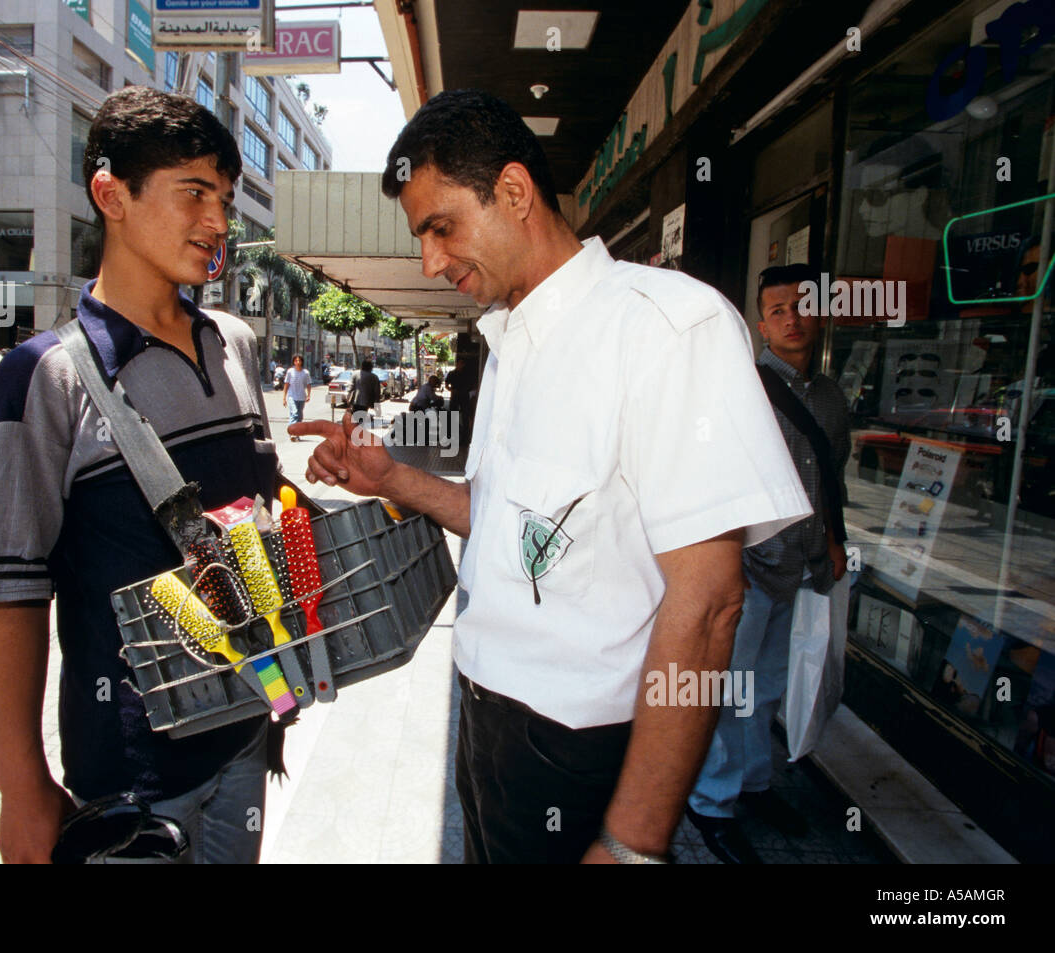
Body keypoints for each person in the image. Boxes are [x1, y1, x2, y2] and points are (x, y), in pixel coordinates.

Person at [291, 89, 810, 864]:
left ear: (513, 191)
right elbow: (514, 524)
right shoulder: (509, 340)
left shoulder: (669, 327)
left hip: (583, 752)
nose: (431, 262)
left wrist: (633, 842)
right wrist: (391, 477)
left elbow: (709, 604)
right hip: (485, 730)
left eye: (440, 227)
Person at [0, 85, 274, 865]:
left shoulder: (234, 342)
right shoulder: (43, 377)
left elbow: (258, 521)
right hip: (133, 781)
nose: (218, 223)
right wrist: (20, 782)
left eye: (225, 199)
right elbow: (12, 594)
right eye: (194, 192)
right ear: (112, 194)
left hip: (247, 736)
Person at [682, 264, 851, 863]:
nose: (792, 319)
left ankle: (754, 786)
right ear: (761, 325)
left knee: (768, 689)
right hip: (749, 567)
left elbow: (832, 478)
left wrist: (833, 540)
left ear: (820, 313)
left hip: (803, 565)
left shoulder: (831, 396)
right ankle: (710, 804)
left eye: (802, 307)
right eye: (778, 311)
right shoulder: (743, 387)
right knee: (730, 692)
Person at [445, 356, 477, 445]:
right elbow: (446, 385)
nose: (461, 365)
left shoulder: (467, 374)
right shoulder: (451, 373)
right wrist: (451, 390)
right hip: (455, 397)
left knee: (465, 418)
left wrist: (467, 391)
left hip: (464, 397)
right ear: (457, 364)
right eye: (460, 363)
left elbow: (473, 385)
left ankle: (464, 439)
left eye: (463, 363)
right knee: (452, 417)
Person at [282, 354, 313, 440]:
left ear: (302, 362)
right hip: (291, 396)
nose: (298, 362)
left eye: (299, 360)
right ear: (294, 362)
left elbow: (308, 384)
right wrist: (284, 398)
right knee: (294, 413)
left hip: (301, 397)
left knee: (299, 416)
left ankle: (297, 433)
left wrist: (309, 395)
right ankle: (292, 432)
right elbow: (286, 384)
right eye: (296, 361)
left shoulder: (305, 373)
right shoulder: (290, 371)